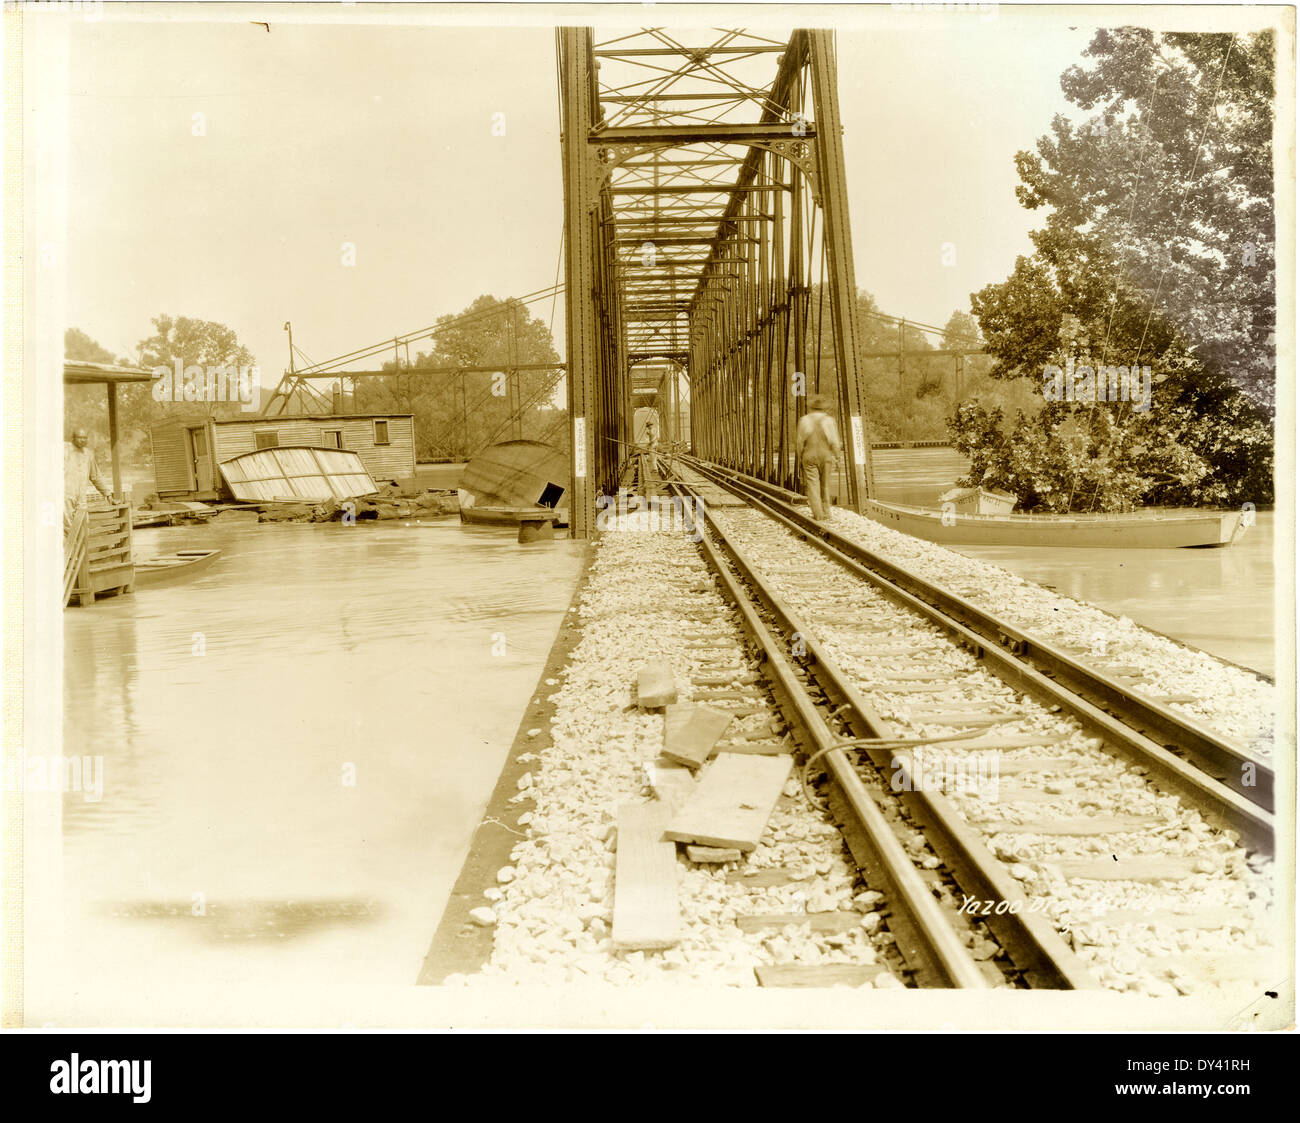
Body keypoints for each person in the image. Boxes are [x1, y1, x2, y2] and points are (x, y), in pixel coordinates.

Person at [796, 394, 841, 522]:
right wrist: (837, 458)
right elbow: (835, 442)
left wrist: (800, 457)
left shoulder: (804, 420)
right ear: (823, 409)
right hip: (825, 454)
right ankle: (827, 512)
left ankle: (818, 514)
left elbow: (799, 442)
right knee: (825, 484)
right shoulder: (829, 420)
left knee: (812, 484)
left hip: (809, 454)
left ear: (811, 408)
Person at [64, 427, 112, 533]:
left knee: (83, 527)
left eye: (85, 438)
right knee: (68, 528)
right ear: (73, 438)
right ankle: (69, 550)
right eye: (79, 437)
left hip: (81, 499)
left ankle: (82, 550)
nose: (83, 440)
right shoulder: (64, 450)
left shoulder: (88, 454)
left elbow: (96, 476)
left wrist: (107, 493)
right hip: (66, 496)